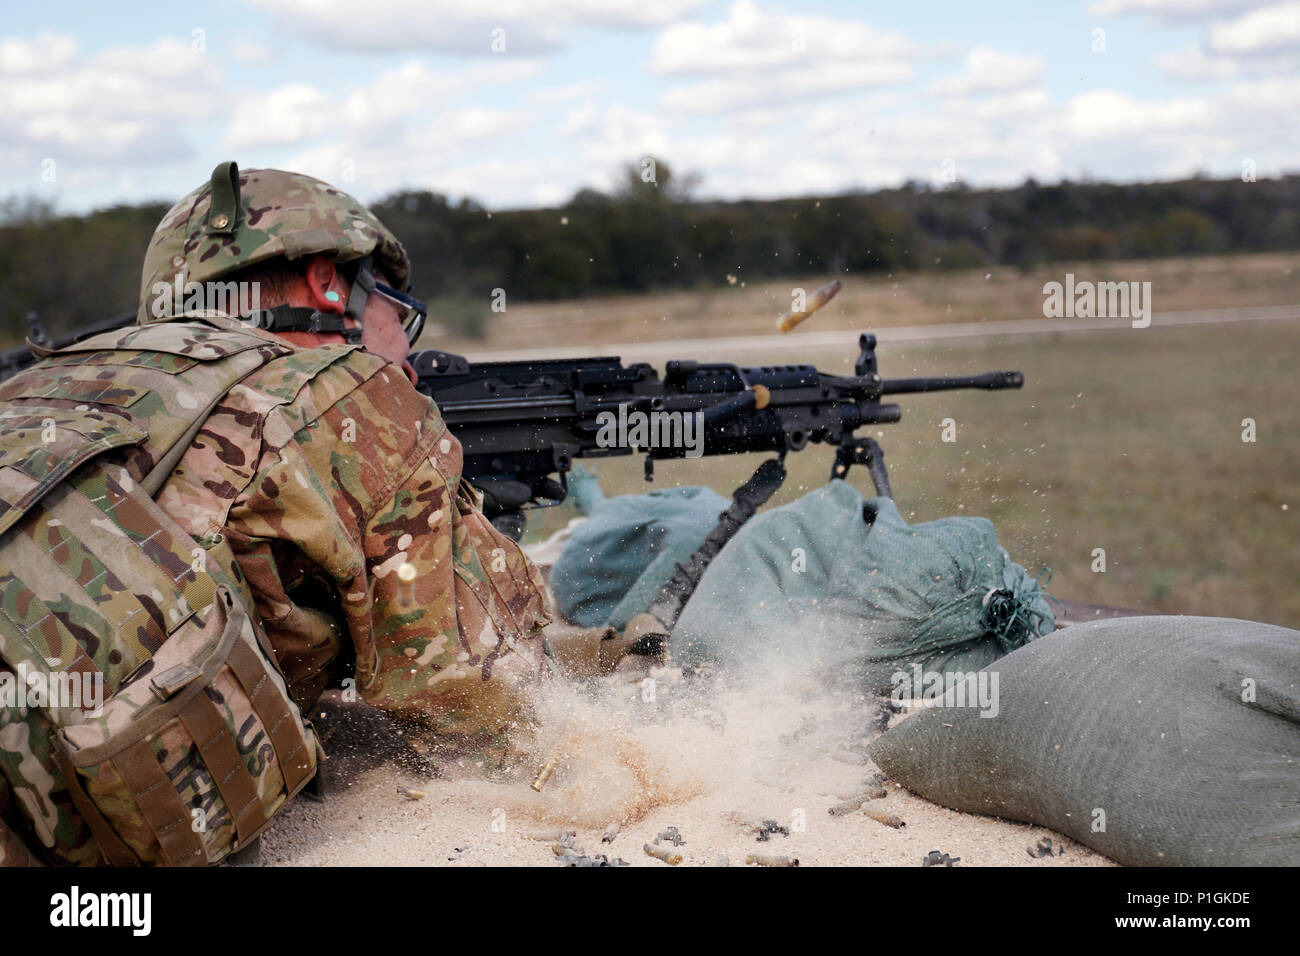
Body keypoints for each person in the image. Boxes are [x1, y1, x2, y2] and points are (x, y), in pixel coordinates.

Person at [0, 162, 555, 865]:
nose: (405, 348)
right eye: (396, 309)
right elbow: (483, 703)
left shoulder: (32, 388)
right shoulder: (339, 393)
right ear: (329, 282)